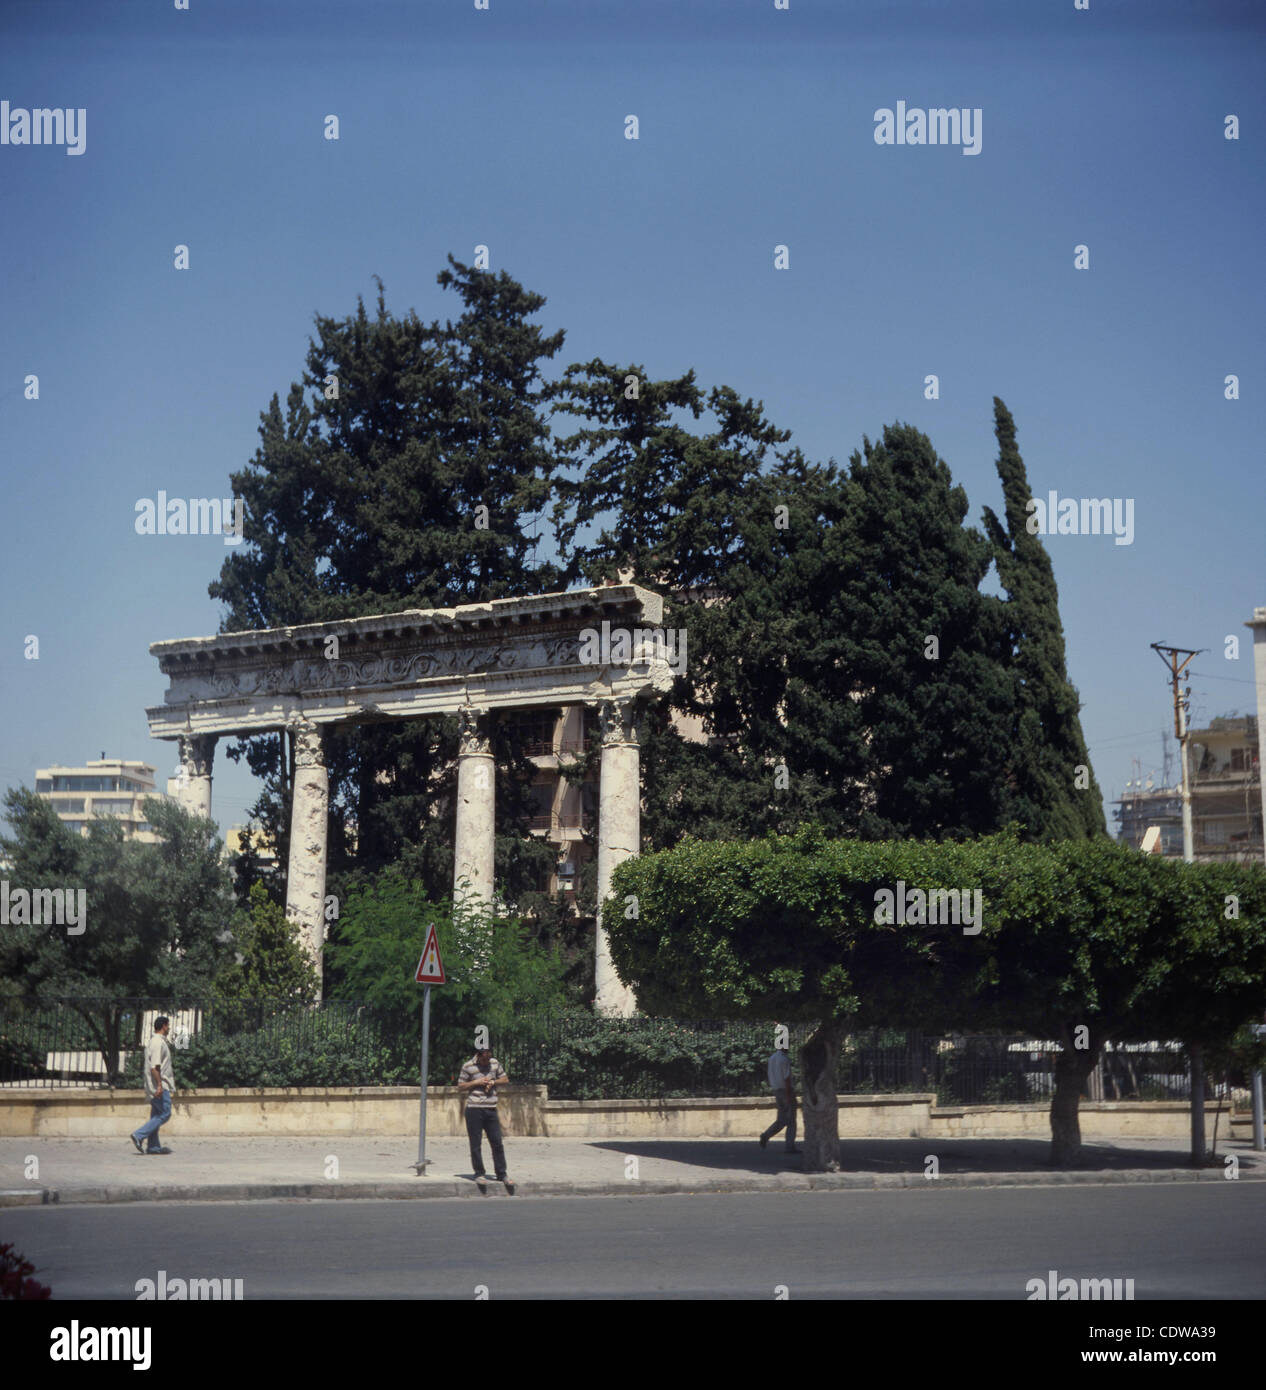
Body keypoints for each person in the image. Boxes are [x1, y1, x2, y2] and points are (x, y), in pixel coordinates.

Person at [458, 1045, 515, 1193]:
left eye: (488, 1058)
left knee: (497, 1142)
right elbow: (461, 1086)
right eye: (484, 1059)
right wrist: (476, 1083)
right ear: (479, 1055)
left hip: (491, 1109)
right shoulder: (468, 1066)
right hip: (474, 1109)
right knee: (476, 1143)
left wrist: (493, 1082)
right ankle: (479, 1173)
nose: (486, 1062)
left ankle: (501, 1173)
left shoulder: (495, 1063)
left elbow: (505, 1079)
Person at [131, 1016, 175, 1155]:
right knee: (165, 1113)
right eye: (168, 1026)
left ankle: (153, 1147)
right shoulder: (157, 1042)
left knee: (156, 1115)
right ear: (163, 1026)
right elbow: (154, 1067)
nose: (169, 1028)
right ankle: (139, 1135)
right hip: (159, 1085)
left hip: (157, 1084)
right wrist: (160, 1086)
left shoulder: (155, 1041)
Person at [759, 1041, 801, 1154]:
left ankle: (766, 1135)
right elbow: (787, 1079)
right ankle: (790, 1147)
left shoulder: (772, 1058)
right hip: (786, 1091)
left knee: (781, 1120)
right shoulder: (784, 1059)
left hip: (776, 1090)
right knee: (791, 1120)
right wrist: (789, 1096)